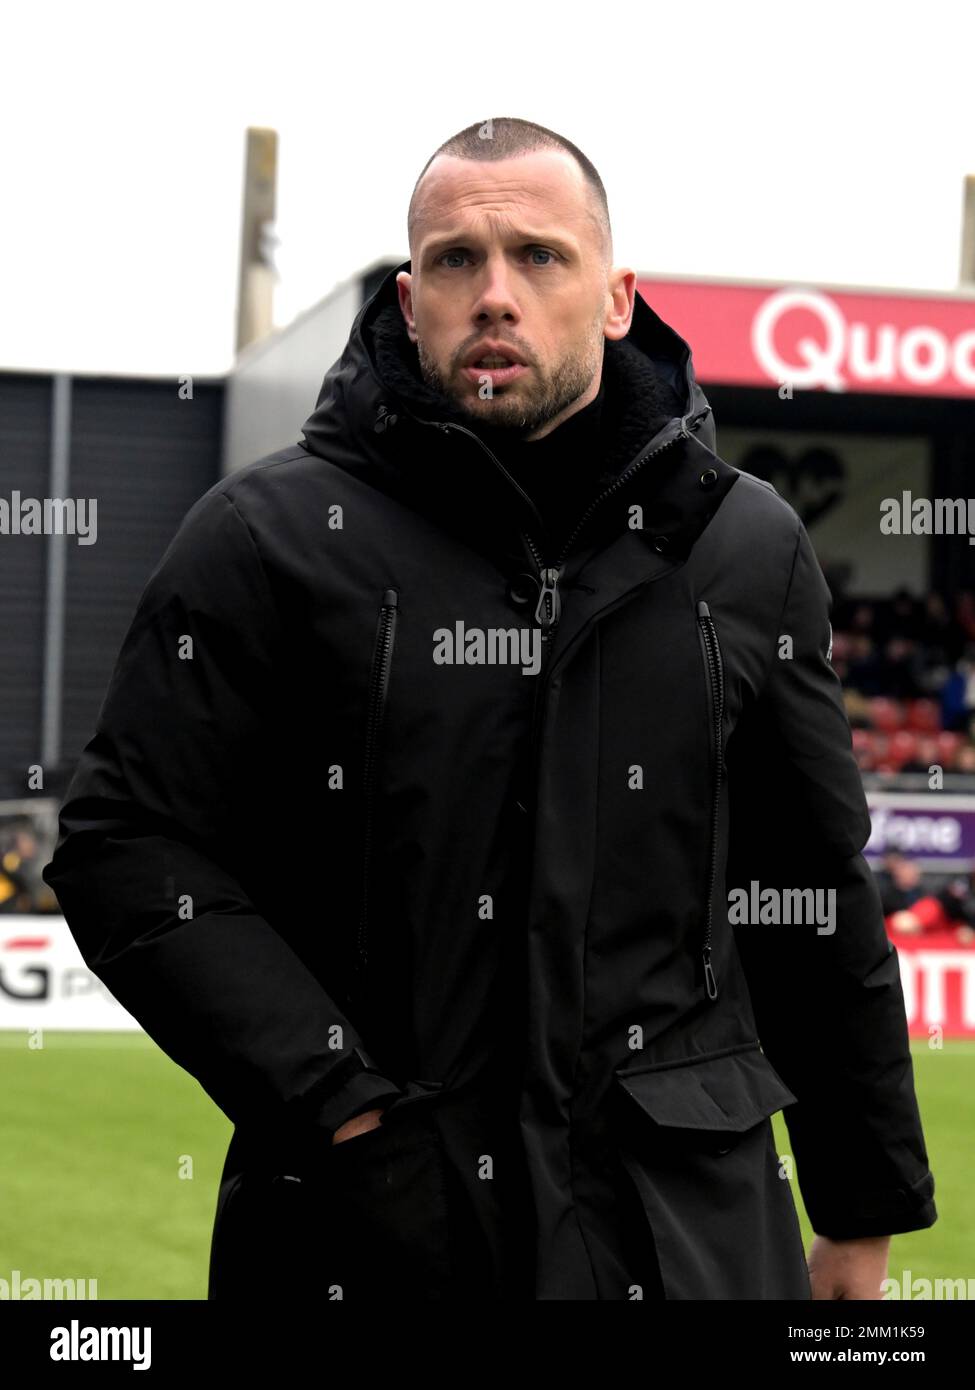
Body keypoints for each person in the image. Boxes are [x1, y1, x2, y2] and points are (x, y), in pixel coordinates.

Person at [42, 116, 936, 1302]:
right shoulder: (265, 539)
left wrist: (863, 1207)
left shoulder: (746, 547)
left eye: (539, 256)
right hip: (362, 1232)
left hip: (685, 1240)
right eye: (457, 260)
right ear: (412, 302)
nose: (496, 294)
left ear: (617, 299)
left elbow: (812, 889)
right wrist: (338, 1101)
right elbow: (125, 844)